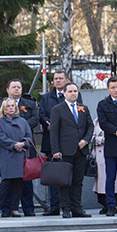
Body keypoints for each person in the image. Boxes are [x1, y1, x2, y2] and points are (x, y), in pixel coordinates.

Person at [0, 79, 39, 216]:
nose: (16, 89)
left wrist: (22, 139)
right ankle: (5, 208)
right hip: (8, 152)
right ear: (7, 90)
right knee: (7, 182)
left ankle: (27, 208)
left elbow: (35, 121)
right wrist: (14, 144)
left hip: (24, 151)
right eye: (13, 87)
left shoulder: (29, 105)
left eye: (19, 87)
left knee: (25, 181)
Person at [50, 82, 93, 218]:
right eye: (70, 91)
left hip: (81, 150)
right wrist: (55, 150)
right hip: (65, 151)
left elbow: (90, 126)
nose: (73, 94)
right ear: (64, 93)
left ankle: (77, 208)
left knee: (78, 181)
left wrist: (85, 140)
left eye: (75, 91)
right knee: (64, 181)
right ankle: (66, 208)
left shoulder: (84, 108)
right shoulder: (58, 109)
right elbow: (54, 131)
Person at [39, 71, 74, 215]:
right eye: (55, 79)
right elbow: (41, 114)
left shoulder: (73, 95)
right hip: (51, 142)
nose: (58, 81)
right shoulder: (46, 97)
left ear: (67, 80)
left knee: (69, 175)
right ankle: (54, 207)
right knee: (54, 175)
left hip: (69, 143)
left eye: (60, 78)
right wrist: (48, 123)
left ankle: (70, 206)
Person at [0, 97, 32, 218]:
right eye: (8, 106)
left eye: (12, 106)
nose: (11, 108)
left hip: (20, 155)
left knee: (18, 183)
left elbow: (29, 137)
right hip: (7, 155)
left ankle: (15, 209)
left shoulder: (23, 121)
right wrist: (14, 145)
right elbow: (0, 138)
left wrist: (23, 143)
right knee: (5, 183)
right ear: (4, 108)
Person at [95, 76, 117, 217]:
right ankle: (111, 206)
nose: (116, 90)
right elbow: (103, 123)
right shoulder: (103, 104)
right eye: (113, 87)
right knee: (110, 177)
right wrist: (116, 131)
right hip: (112, 145)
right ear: (108, 89)